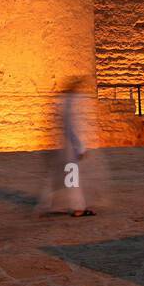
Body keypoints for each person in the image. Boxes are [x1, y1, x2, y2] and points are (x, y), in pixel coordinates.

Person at [40, 76, 96, 217]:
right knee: (72, 178)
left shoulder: (64, 101)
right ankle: (77, 208)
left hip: (65, 147)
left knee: (64, 177)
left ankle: (57, 204)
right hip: (71, 149)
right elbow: (72, 127)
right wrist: (80, 148)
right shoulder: (72, 103)